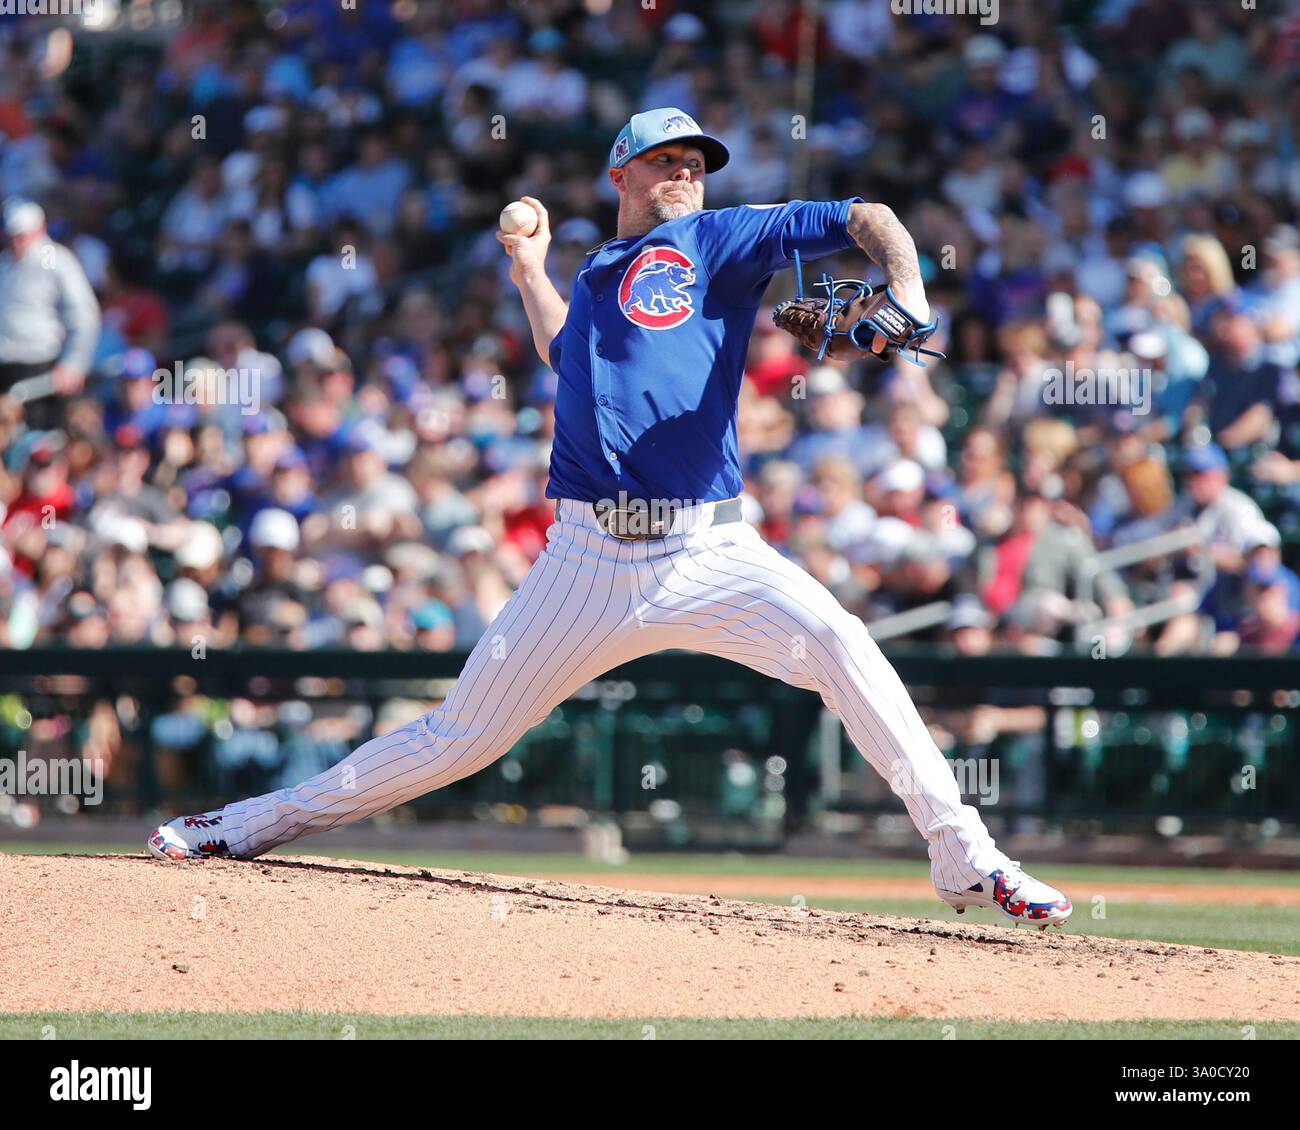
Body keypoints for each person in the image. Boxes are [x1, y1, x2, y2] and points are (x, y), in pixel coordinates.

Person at [148, 107, 1072, 929]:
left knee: (842, 642)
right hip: (585, 561)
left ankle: (965, 855)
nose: (685, 173)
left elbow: (866, 217)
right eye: (665, 159)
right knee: (459, 738)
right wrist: (526, 267)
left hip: (709, 548)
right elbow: (565, 353)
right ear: (620, 174)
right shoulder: (594, 273)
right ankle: (248, 824)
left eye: (696, 162)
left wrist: (905, 288)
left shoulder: (722, 241)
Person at [0, 199, 101, 408]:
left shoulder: (56, 261)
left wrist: (73, 363)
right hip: (5, 366)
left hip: (41, 369)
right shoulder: (5, 263)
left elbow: (83, 316)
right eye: (11, 236)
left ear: (39, 230)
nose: (15, 243)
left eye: (21, 236)